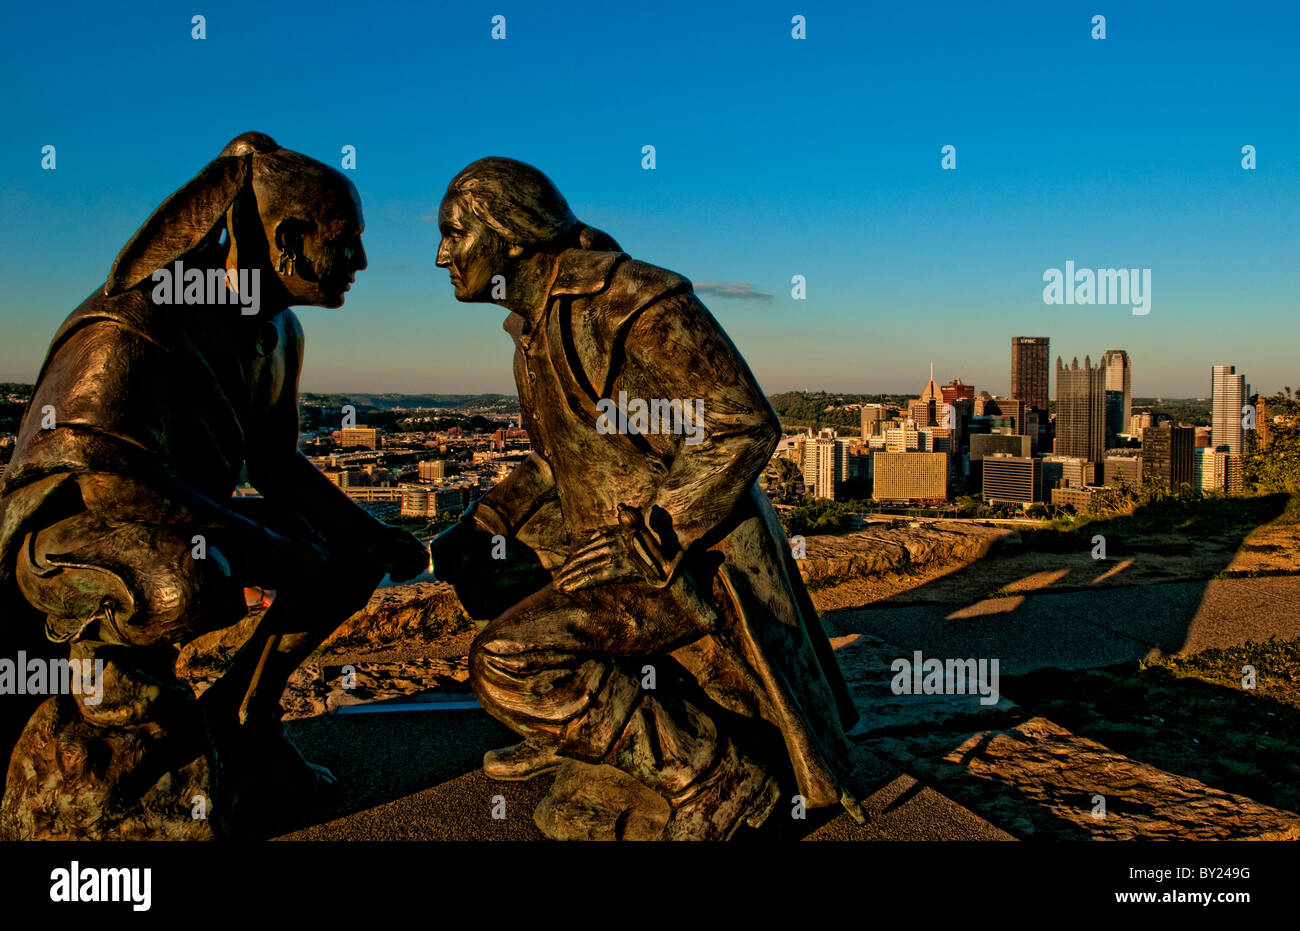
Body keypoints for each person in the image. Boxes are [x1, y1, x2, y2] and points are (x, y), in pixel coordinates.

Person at [0, 132, 428, 839]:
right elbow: (111, 482)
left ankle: (241, 720)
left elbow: (277, 465)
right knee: (183, 583)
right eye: (346, 241)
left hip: (181, 519)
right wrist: (261, 545)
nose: (361, 261)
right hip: (71, 538)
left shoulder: (281, 333)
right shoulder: (136, 322)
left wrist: (365, 533)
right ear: (289, 241)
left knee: (346, 551)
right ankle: (120, 724)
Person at [432, 157, 860, 840]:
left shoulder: (631, 299)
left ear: (508, 236)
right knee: (480, 562)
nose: (440, 256)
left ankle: (709, 774)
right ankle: (581, 729)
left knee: (503, 661)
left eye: (456, 235)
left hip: (677, 554)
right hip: (596, 534)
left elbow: (743, 423)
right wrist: (484, 521)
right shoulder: (535, 324)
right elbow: (561, 456)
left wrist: (655, 529)